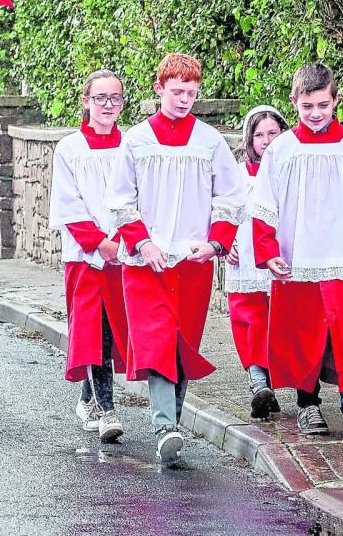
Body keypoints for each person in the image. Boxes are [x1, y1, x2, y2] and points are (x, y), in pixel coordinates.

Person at [105, 52, 245, 465]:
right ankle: (164, 426)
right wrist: (142, 243)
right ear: (159, 88)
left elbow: (231, 197)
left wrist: (216, 244)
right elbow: (119, 199)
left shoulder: (209, 141)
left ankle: (173, 427)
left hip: (192, 261)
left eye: (191, 93)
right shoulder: (136, 140)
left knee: (182, 346)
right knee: (156, 341)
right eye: (177, 91)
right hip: (146, 263)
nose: (185, 100)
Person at [250, 63, 343, 439]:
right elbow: (263, 207)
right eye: (307, 106)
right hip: (298, 258)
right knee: (303, 334)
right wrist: (267, 251)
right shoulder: (281, 150)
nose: (315, 113)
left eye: (323, 105)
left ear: (336, 100)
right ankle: (308, 405)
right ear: (294, 102)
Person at [49, 70, 129, 444]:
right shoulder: (70, 149)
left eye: (115, 98)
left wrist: (124, 240)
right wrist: (100, 243)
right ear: (86, 102)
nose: (108, 105)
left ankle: (88, 400)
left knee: (112, 333)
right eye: (100, 98)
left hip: (125, 251)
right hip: (86, 256)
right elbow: (68, 203)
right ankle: (107, 409)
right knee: (93, 330)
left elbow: (138, 196)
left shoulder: (131, 145)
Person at [224, 105, 289, 419]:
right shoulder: (236, 175)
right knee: (249, 320)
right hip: (244, 258)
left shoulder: (290, 171)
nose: (266, 140)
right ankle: (258, 382)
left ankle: (270, 383)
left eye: (272, 133)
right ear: (249, 139)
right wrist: (225, 242)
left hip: (279, 257)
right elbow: (221, 210)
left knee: (276, 322)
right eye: (259, 135)